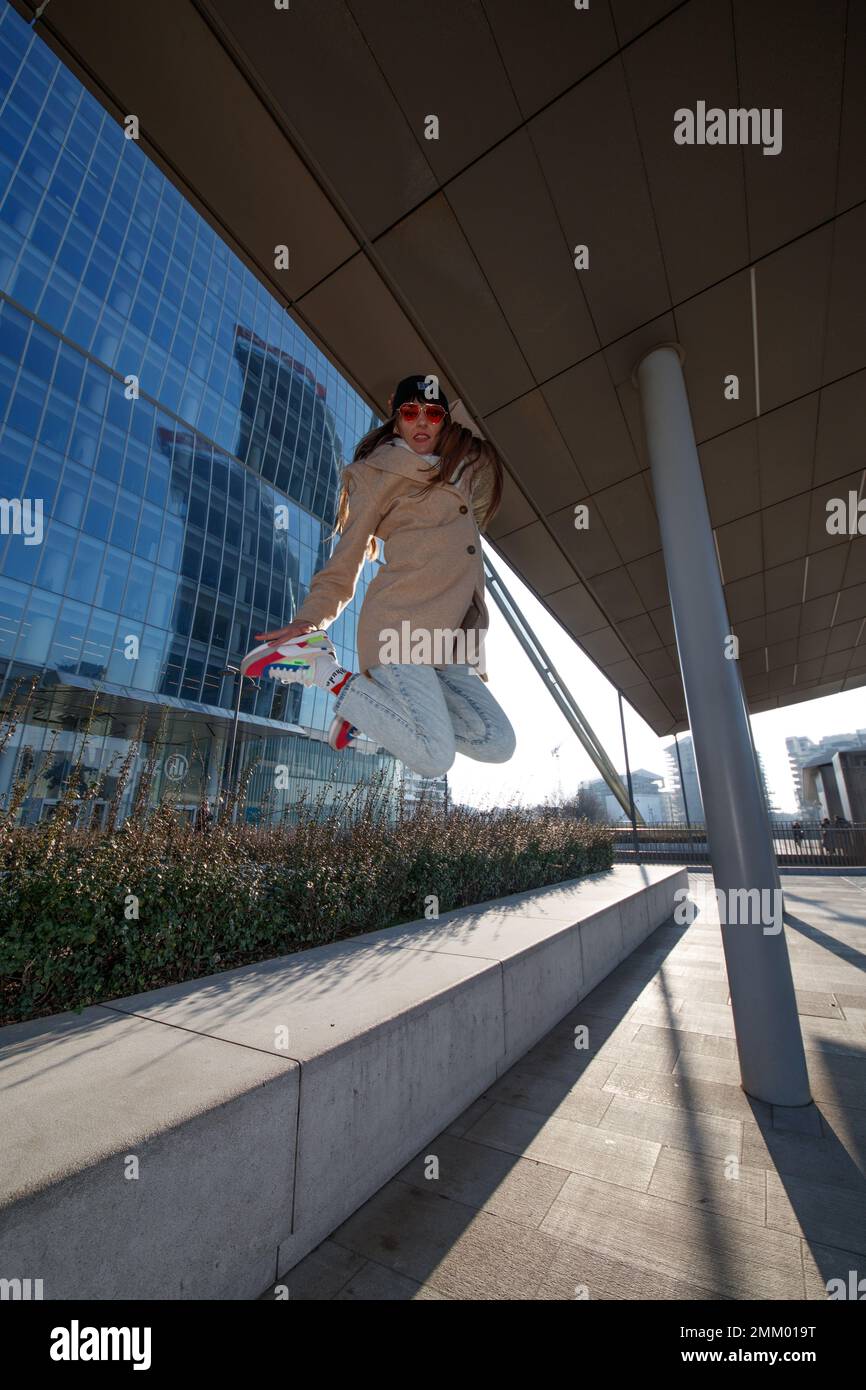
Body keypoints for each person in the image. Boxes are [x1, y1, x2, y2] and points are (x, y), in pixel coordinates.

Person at [240, 374, 516, 778]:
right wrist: (309, 620)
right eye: (410, 412)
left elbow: (474, 431)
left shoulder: (462, 464)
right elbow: (347, 558)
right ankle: (322, 670)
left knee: (497, 742)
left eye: (433, 414)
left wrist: (444, 405)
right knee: (434, 759)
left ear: (445, 420)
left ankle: (373, 707)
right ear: (396, 416)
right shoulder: (376, 474)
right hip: (400, 629)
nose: (421, 423)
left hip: (451, 644)